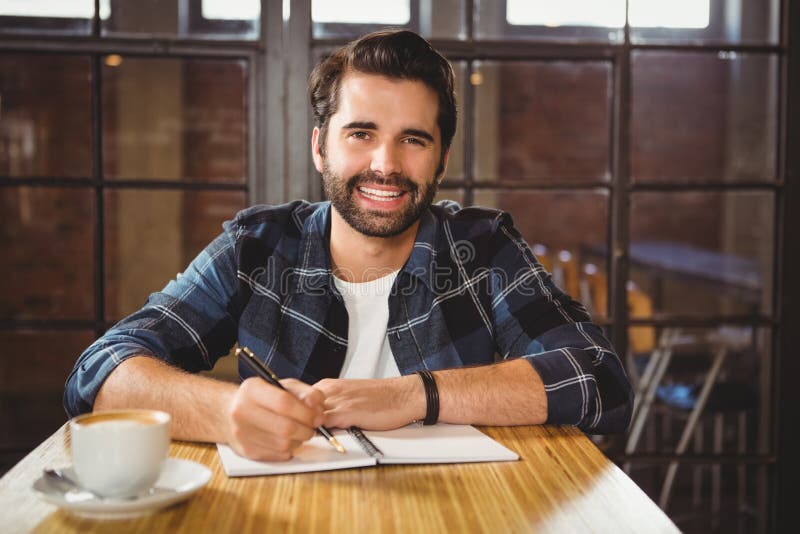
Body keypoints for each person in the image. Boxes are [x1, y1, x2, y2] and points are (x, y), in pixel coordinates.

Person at [64, 30, 632, 462]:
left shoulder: (483, 247)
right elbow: (99, 375)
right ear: (320, 147)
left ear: (441, 159)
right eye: (361, 134)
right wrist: (225, 411)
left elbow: (599, 380)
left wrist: (415, 396)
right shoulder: (258, 246)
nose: (386, 165)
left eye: (413, 139)